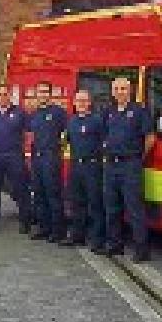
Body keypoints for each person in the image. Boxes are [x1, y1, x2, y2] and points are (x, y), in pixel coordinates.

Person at [102, 76, 154, 262]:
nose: (119, 92)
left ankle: (141, 249)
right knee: (112, 207)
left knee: (134, 209)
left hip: (130, 164)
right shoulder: (108, 112)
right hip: (111, 165)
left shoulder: (139, 111)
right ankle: (115, 245)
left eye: (123, 89)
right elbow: (103, 135)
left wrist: (138, 158)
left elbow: (149, 138)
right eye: (116, 89)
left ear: (130, 91)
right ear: (112, 91)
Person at [0, 84, 32, 233]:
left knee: (21, 190)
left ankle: (25, 222)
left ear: (10, 96)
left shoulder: (20, 113)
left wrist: (26, 152)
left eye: (5, 94)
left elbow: (28, 134)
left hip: (14, 155)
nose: (2, 97)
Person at [64, 90, 106, 252]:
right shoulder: (72, 121)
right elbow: (66, 141)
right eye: (78, 100)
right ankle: (77, 236)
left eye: (84, 100)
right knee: (77, 203)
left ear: (89, 103)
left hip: (92, 167)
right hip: (76, 167)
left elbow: (104, 142)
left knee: (95, 204)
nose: (81, 103)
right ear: (74, 103)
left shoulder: (97, 120)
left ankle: (97, 240)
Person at [27, 82, 68, 242]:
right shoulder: (34, 113)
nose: (42, 94)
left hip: (51, 157)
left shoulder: (59, 113)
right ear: (36, 94)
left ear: (50, 94)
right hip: (37, 157)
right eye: (40, 92)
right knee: (39, 194)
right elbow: (32, 135)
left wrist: (59, 150)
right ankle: (44, 228)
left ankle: (58, 231)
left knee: (53, 194)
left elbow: (66, 134)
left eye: (45, 92)